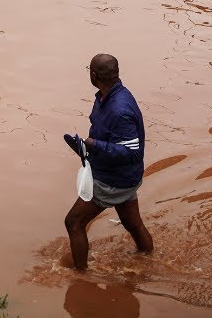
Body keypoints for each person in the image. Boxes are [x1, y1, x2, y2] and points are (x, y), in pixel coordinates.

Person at [62, 53, 154, 270]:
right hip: (123, 174)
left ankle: (80, 276)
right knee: (133, 223)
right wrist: (86, 148)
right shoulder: (106, 97)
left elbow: (132, 152)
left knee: (74, 222)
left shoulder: (119, 109)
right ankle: (149, 258)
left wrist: (95, 145)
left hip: (114, 179)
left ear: (93, 75)